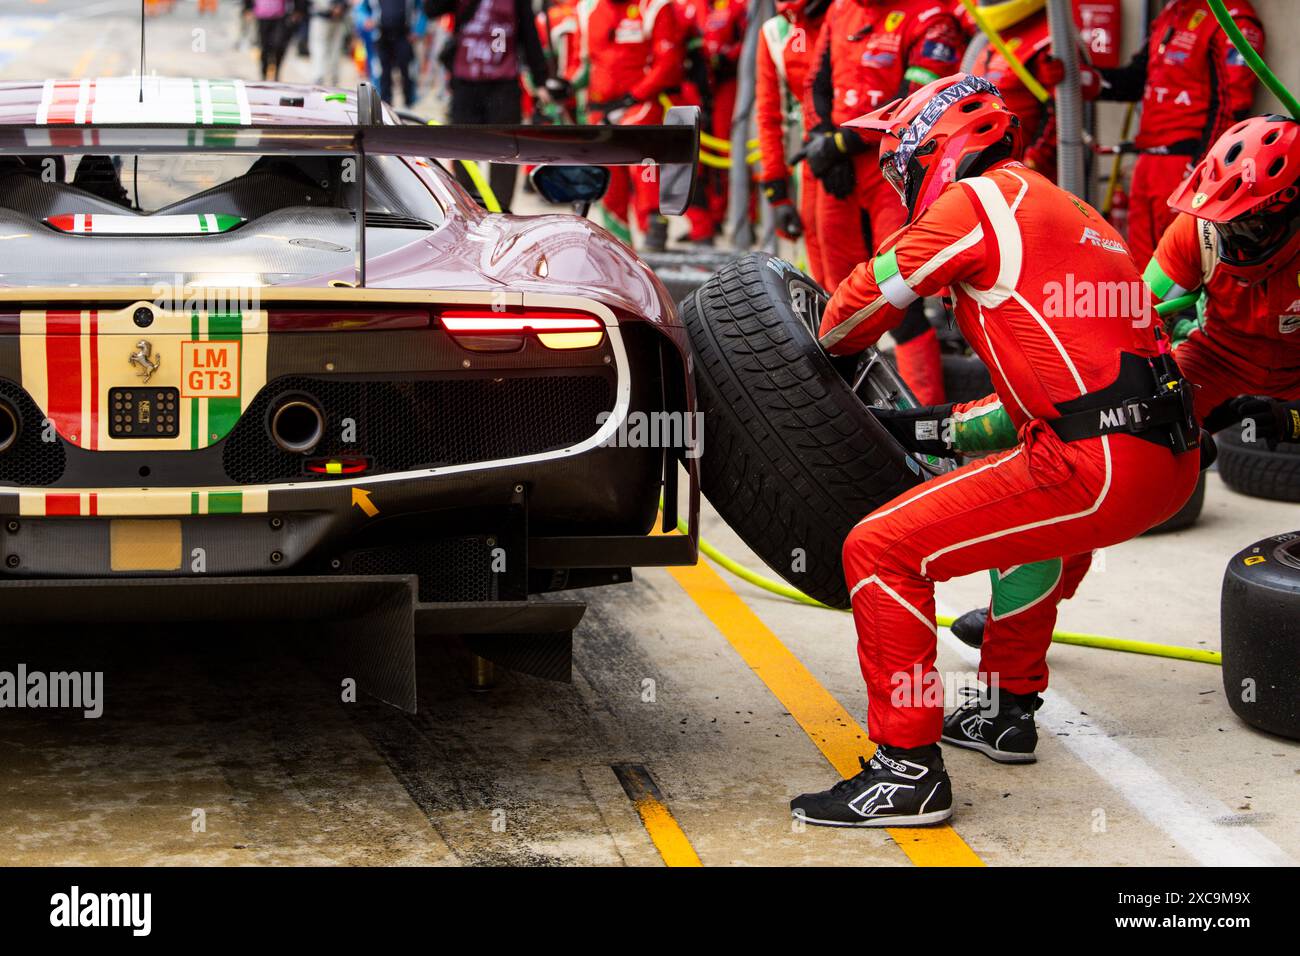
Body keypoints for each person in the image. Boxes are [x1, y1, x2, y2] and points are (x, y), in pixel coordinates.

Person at [790, 74, 1201, 826]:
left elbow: (860, 307)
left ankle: (905, 767)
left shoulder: (975, 204)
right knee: (1031, 532)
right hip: (1164, 459)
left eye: (902, 163)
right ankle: (1007, 713)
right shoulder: (1069, 210)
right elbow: (1047, 401)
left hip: (1098, 461)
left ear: (934, 147)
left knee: (880, 550)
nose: (901, 178)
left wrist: (790, 352)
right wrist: (922, 427)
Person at [947, 116, 1300, 664]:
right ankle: (1026, 613)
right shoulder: (1200, 230)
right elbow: (1137, 319)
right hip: (1216, 360)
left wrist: (1289, 421)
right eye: (1224, 223)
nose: (1228, 237)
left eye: (1245, 227)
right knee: (1097, 456)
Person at [808, 0, 965, 404]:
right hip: (838, 170)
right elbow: (817, 84)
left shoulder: (932, 17)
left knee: (900, 293)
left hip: (895, 170)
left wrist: (841, 143)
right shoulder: (840, 10)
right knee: (835, 296)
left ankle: (925, 417)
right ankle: (836, 409)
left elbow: (917, 100)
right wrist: (822, 139)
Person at [1038, 0, 1265, 268]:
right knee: (1142, 270)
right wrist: (1079, 78)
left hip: (1185, 164)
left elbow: (1232, 107)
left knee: (1183, 267)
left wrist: (1202, 171)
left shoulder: (1232, 18)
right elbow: (1135, 79)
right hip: (1147, 165)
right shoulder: (1172, 12)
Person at [575, 0, 684, 249]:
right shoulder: (587, 9)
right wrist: (561, 87)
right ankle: (617, 246)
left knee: (640, 161)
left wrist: (636, 94)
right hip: (600, 108)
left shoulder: (655, 6)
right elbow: (581, 65)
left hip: (642, 103)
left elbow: (667, 61)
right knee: (608, 178)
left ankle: (654, 227)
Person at [429, 0, 551, 210]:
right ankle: (466, 214)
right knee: (463, 158)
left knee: (506, 157)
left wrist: (541, 80)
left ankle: (502, 214)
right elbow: (431, 9)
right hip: (466, 86)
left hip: (503, 86)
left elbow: (529, 34)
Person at [754, 0, 830, 284]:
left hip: (873, 149)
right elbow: (769, 115)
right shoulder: (775, 32)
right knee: (821, 271)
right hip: (815, 158)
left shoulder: (849, 11)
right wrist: (777, 192)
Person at [964, 0, 1060, 177]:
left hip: (1026, 177)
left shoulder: (1049, 41)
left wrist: (1032, 163)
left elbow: (1062, 115)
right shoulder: (990, 38)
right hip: (983, 171)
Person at [246, 0, 305, 81]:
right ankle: (264, 73)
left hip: (281, 16)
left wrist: (298, 9)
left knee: (279, 45)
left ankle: (277, 72)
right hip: (262, 15)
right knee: (265, 47)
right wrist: (248, 8)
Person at [307, 0, 350, 87]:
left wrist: (337, 6)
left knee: (323, 48)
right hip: (327, 17)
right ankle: (327, 78)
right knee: (327, 49)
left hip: (327, 17)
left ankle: (322, 78)